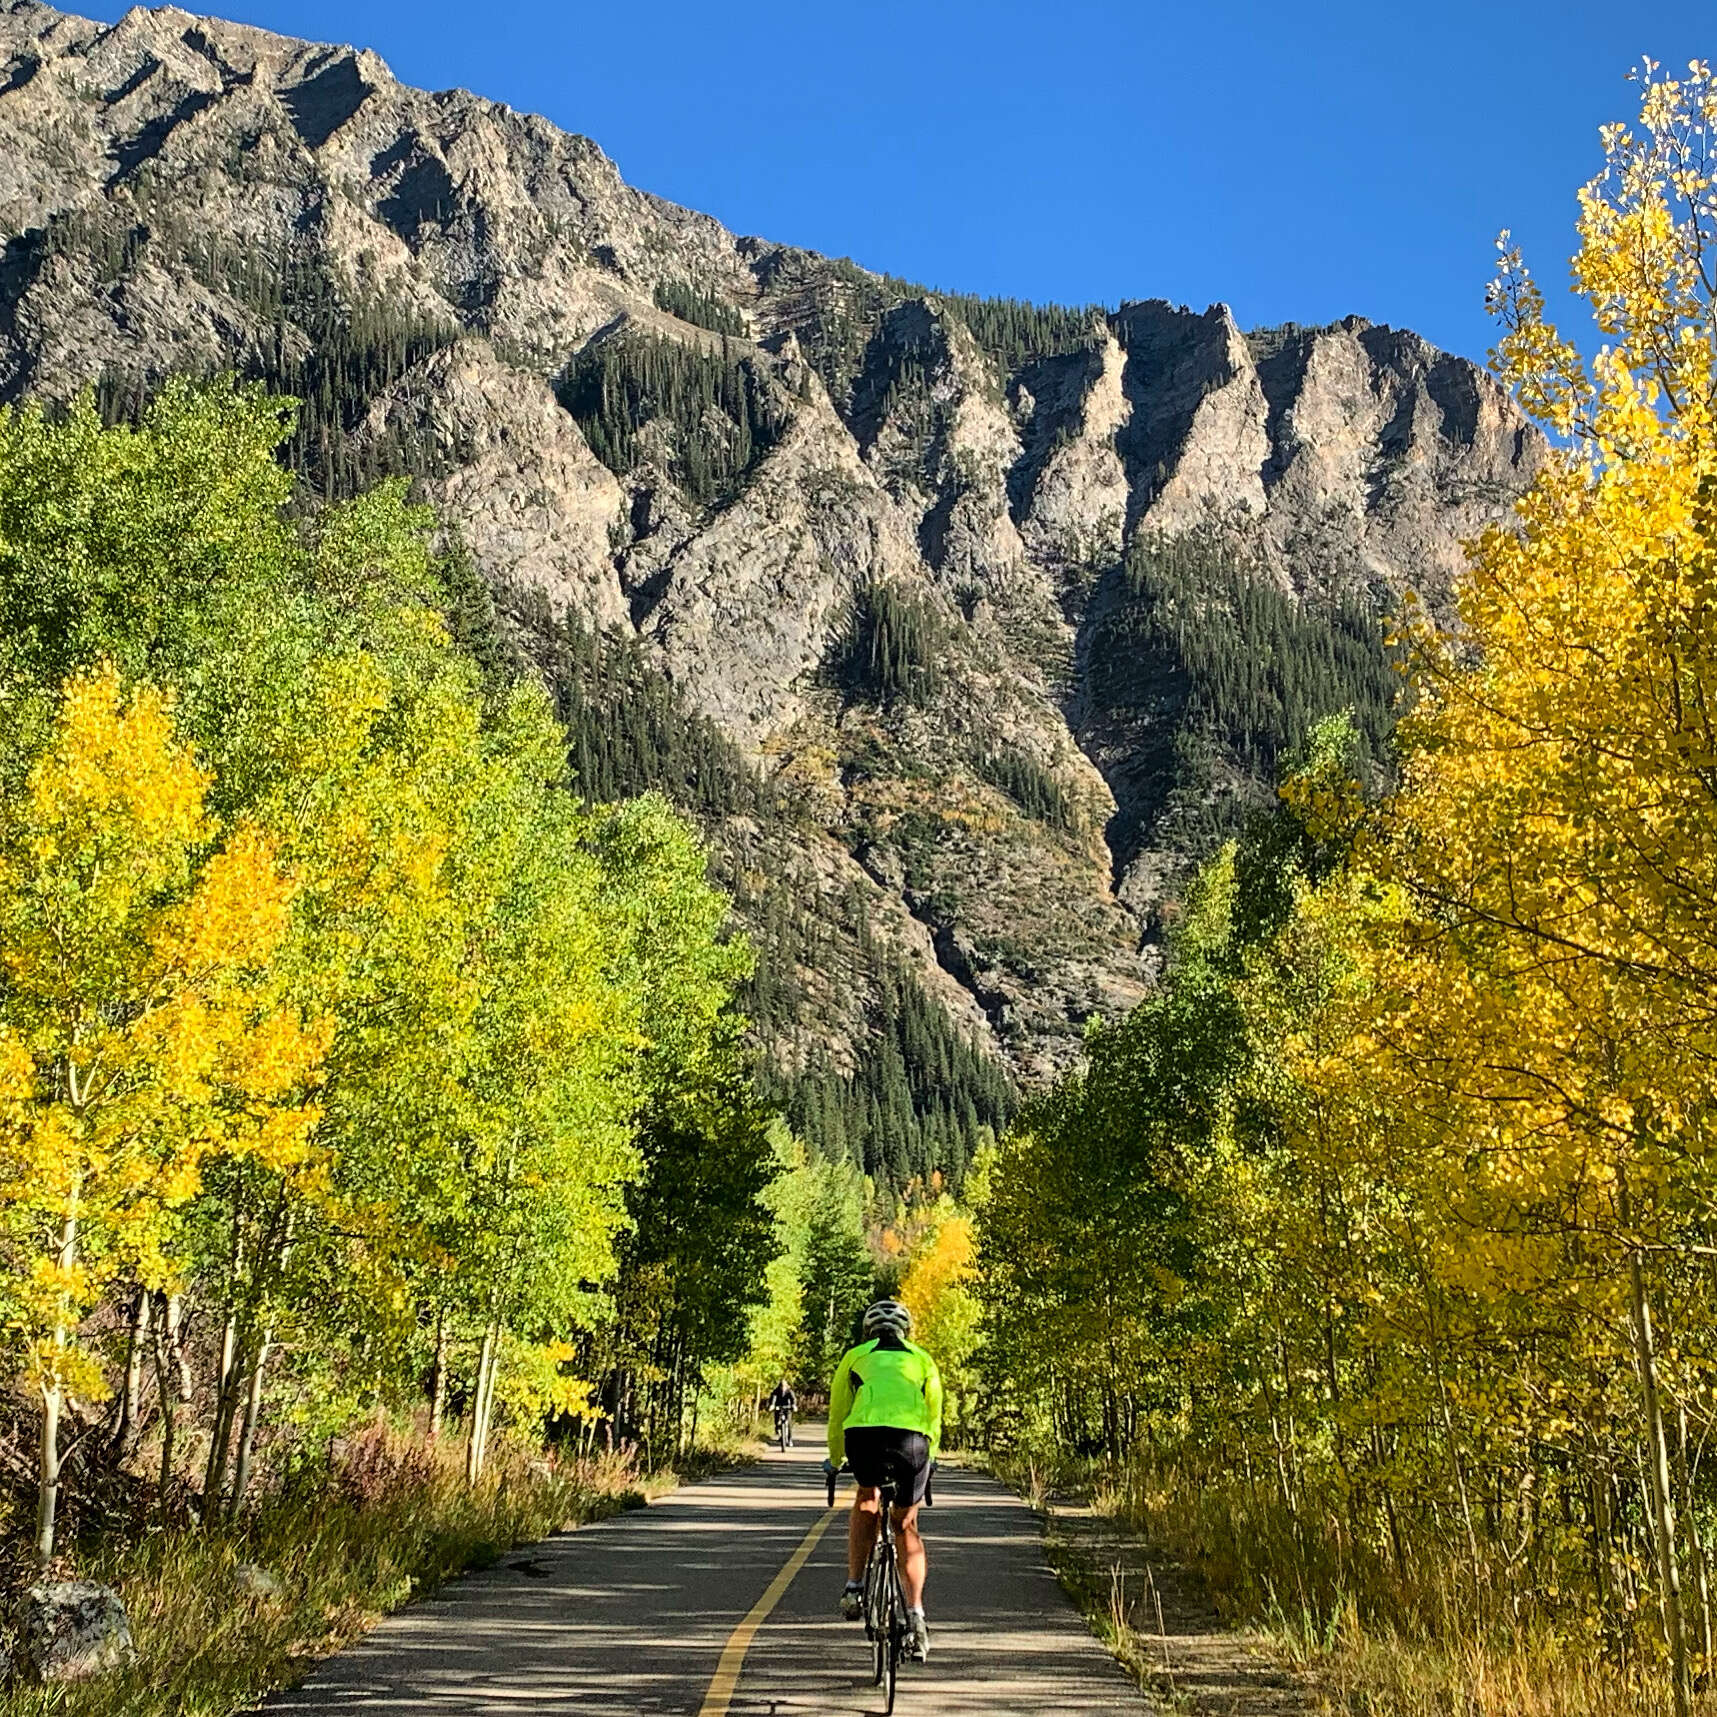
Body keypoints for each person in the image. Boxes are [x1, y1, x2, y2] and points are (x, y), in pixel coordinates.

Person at [823, 1299, 943, 1662]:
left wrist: (833, 1460)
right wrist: (931, 1457)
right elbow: (935, 1414)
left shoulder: (856, 1356)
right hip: (912, 1441)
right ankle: (918, 1615)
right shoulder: (923, 1359)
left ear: (869, 1331)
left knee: (866, 1497)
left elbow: (838, 1413)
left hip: (866, 1436)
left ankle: (855, 1587)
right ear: (906, 1331)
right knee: (906, 1523)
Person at [765, 1376, 796, 1446]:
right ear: (779, 1386)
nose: (783, 1388)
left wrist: (794, 1405)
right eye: (782, 1386)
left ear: (787, 1386)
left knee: (788, 1423)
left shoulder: (789, 1391)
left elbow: (793, 1399)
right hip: (778, 1407)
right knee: (776, 1421)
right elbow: (773, 1398)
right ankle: (780, 1433)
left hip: (787, 1407)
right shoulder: (776, 1391)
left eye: (784, 1386)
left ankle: (790, 1439)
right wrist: (772, 1405)